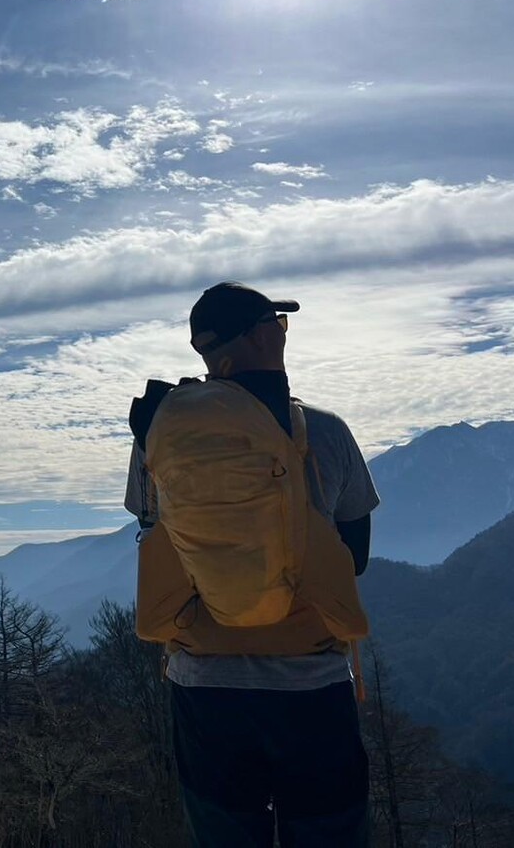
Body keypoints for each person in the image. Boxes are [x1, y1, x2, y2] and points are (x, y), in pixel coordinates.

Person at [128, 281, 378, 847]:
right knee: (328, 832)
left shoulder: (157, 437)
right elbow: (354, 558)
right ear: (264, 334)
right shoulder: (326, 432)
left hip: (204, 682)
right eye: (280, 324)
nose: (283, 334)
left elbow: (155, 535)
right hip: (311, 680)